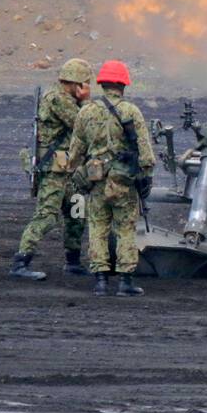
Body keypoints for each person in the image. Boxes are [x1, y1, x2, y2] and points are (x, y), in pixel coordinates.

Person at [65, 60, 156, 297]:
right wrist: (145, 179)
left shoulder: (86, 111)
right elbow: (145, 154)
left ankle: (101, 281)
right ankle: (126, 282)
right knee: (126, 229)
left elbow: (75, 152)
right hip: (124, 183)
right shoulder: (131, 111)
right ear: (123, 84)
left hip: (96, 181)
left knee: (97, 227)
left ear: (102, 83)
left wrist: (76, 172)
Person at [9, 58, 93, 280]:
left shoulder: (65, 98)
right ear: (75, 84)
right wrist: (85, 102)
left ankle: (72, 262)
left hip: (68, 170)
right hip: (54, 171)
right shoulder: (57, 99)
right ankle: (21, 262)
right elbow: (82, 124)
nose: (86, 88)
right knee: (47, 216)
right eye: (84, 84)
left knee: (77, 213)